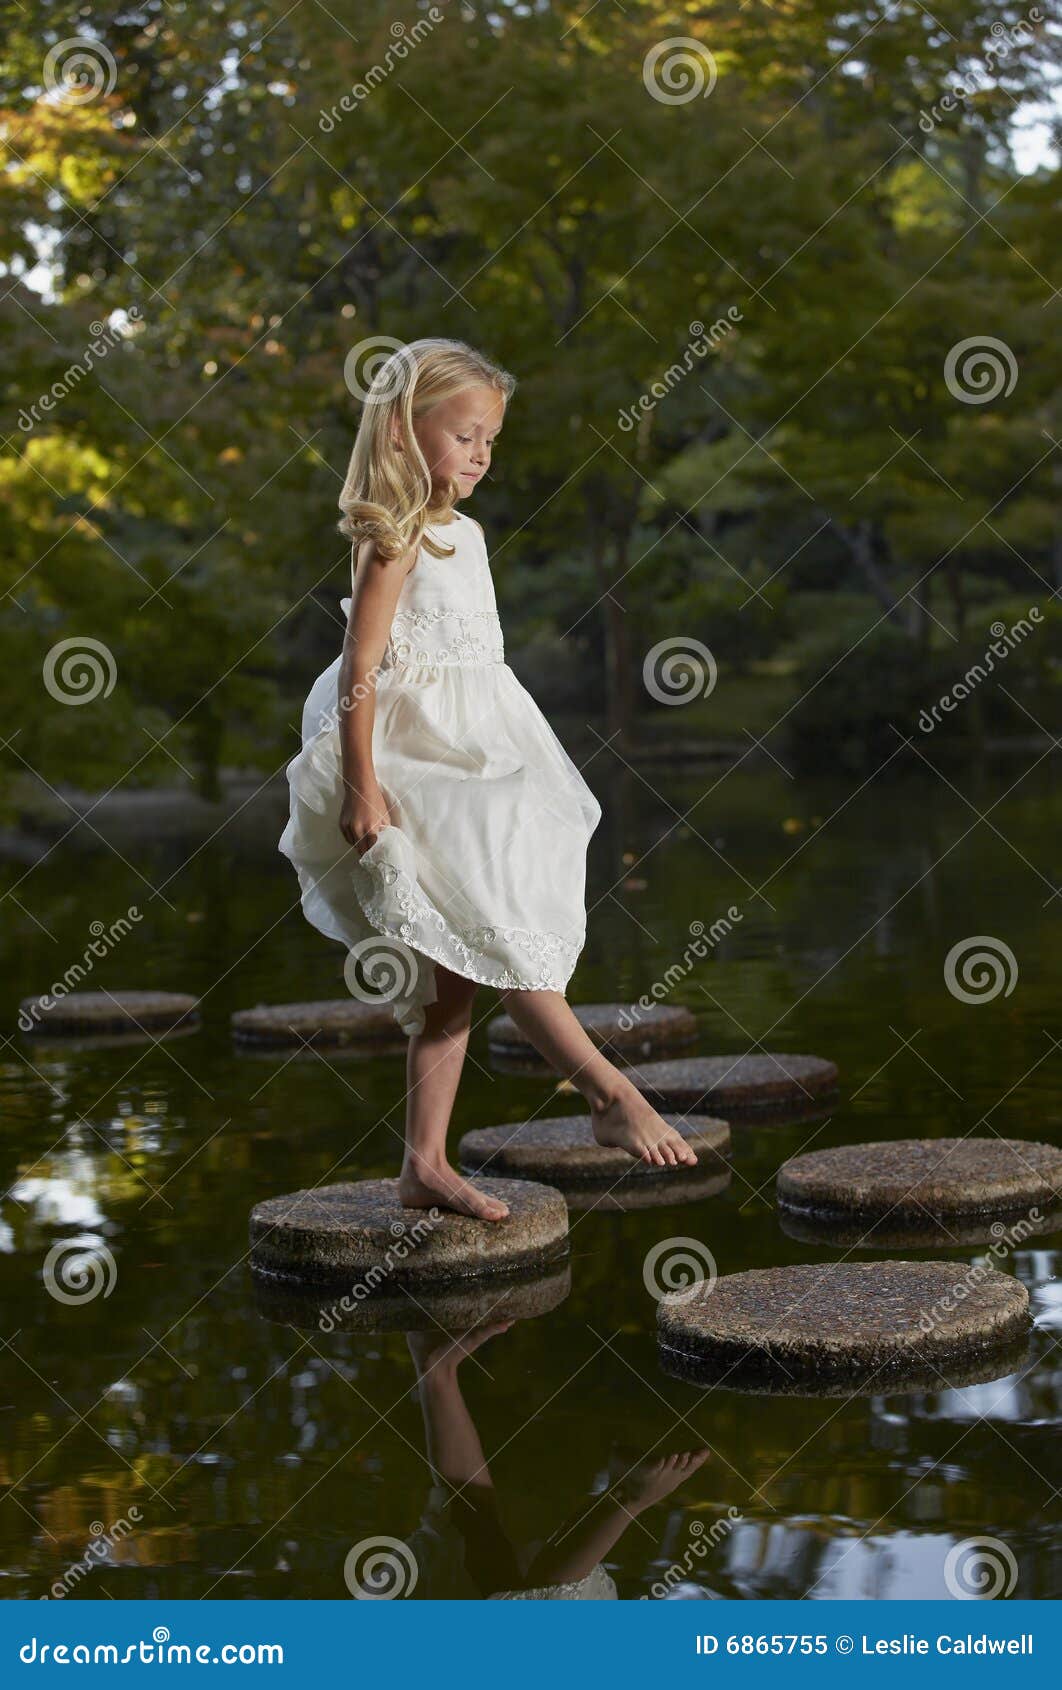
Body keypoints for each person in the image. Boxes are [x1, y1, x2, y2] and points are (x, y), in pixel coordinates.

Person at [279, 337, 698, 1222]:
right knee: (502, 938)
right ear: (404, 428)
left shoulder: (464, 533)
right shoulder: (391, 536)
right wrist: (360, 783)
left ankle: (423, 1164)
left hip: (483, 753)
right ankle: (610, 1094)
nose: (481, 455)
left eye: (490, 440)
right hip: (417, 764)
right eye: (465, 435)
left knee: (455, 975)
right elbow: (361, 665)